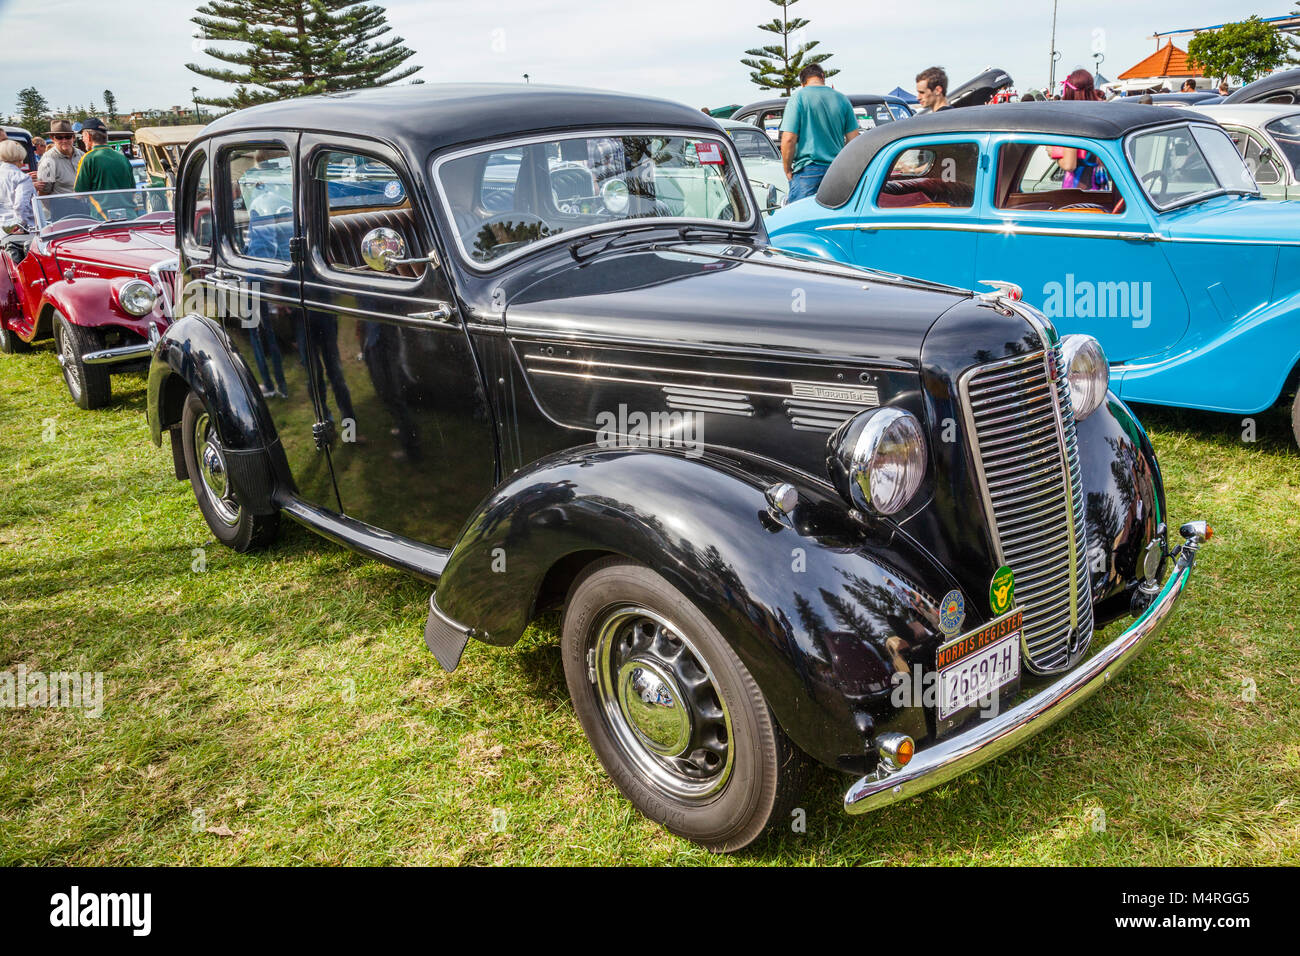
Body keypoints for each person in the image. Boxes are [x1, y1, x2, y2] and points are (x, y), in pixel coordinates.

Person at [779, 63, 859, 203]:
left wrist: (787, 169)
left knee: (800, 220)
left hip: (807, 171)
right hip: (837, 171)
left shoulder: (798, 98)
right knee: (833, 220)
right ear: (823, 77)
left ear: (803, 83)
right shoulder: (842, 99)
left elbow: (789, 139)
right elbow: (854, 140)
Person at [1, 139, 38, 263]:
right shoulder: (22, 178)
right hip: (20, 234)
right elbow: (20, 206)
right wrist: (20, 225)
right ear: (20, 158)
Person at [74, 117, 133, 192]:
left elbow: (79, 193)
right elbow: (132, 191)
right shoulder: (123, 158)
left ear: (88, 136)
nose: (82, 139)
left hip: (101, 204)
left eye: (83, 136)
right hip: (129, 204)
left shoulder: (88, 158)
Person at [35, 121, 84, 196]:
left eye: (68, 137)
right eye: (59, 137)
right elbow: (44, 194)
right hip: (61, 205)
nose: (64, 141)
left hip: (84, 205)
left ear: (73, 137)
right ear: (52, 138)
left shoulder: (82, 155)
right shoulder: (48, 161)